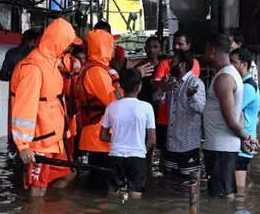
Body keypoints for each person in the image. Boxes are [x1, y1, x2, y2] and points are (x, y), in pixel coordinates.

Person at [11, 17, 83, 197]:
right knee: (38, 187)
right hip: (40, 141)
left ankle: (50, 210)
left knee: (68, 173)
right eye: (68, 44)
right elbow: (24, 108)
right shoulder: (33, 68)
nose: (69, 48)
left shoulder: (51, 62)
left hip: (54, 138)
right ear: (58, 43)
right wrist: (23, 145)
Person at [203, 34, 259, 198]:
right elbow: (238, 113)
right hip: (224, 147)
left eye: (206, 50)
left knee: (220, 197)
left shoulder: (225, 78)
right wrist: (242, 139)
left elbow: (231, 120)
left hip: (220, 148)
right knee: (226, 194)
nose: (204, 54)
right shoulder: (232, 74)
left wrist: (246, 137)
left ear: (212, 50)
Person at [73, 28, 123, 191]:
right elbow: (114, 102)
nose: (114, 47)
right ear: (103, 47)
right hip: (99, 137)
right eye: (111, 44)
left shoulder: (99, 69)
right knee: (104, 188)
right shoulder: (96, 72)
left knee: (100, 186)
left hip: (99, 136)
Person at [100, 69, 156, 199]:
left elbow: (103, 136)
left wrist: (118, 139)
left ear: (121, 86)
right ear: (139, 87)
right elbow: (152, 140)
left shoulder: (111, 107)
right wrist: (141, 150)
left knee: (113, 195)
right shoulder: (147, 107)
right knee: (135, 196)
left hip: (115, 156)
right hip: (137, 157)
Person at [160, 50, 205, 177]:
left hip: (188, 144)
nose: (170, 65)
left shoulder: (195, 83)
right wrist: (163, 89)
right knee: (169, 179)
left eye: (173, 62)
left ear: (182, 65)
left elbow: (202, 108)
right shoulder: (172, 82)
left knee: (189, 181)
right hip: (171, 142)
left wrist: (191, 96)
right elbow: (158, 101)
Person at [153, 33, 200, 154]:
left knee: (186, 152)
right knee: (165, 154)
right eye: (175, 43)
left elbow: (192, 90)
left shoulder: (194, 64)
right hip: (165, 117)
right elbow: (156, 89)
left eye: (180, 44)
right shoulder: (165, 63)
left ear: (188, 45)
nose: (176, 47)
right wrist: (165, 86)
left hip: (185, 119)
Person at [2, 29, 41, 154]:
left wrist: (14, 76)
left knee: (14, 122)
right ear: (34, 40)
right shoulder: (36, 54)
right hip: (32, 95)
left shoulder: (11, 53)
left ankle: (14, 147)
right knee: (31, 124)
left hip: (14, 94)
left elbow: (3, 75)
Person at [230, 47, 259, 196]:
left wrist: (243, 139)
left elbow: (235, 112)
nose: (231, 66)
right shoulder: (244, 84)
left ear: (244, 64)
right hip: (243, 139)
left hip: (244, 142)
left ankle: (241, 209)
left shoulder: (247, 87)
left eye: (234, 62)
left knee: (239, 190)